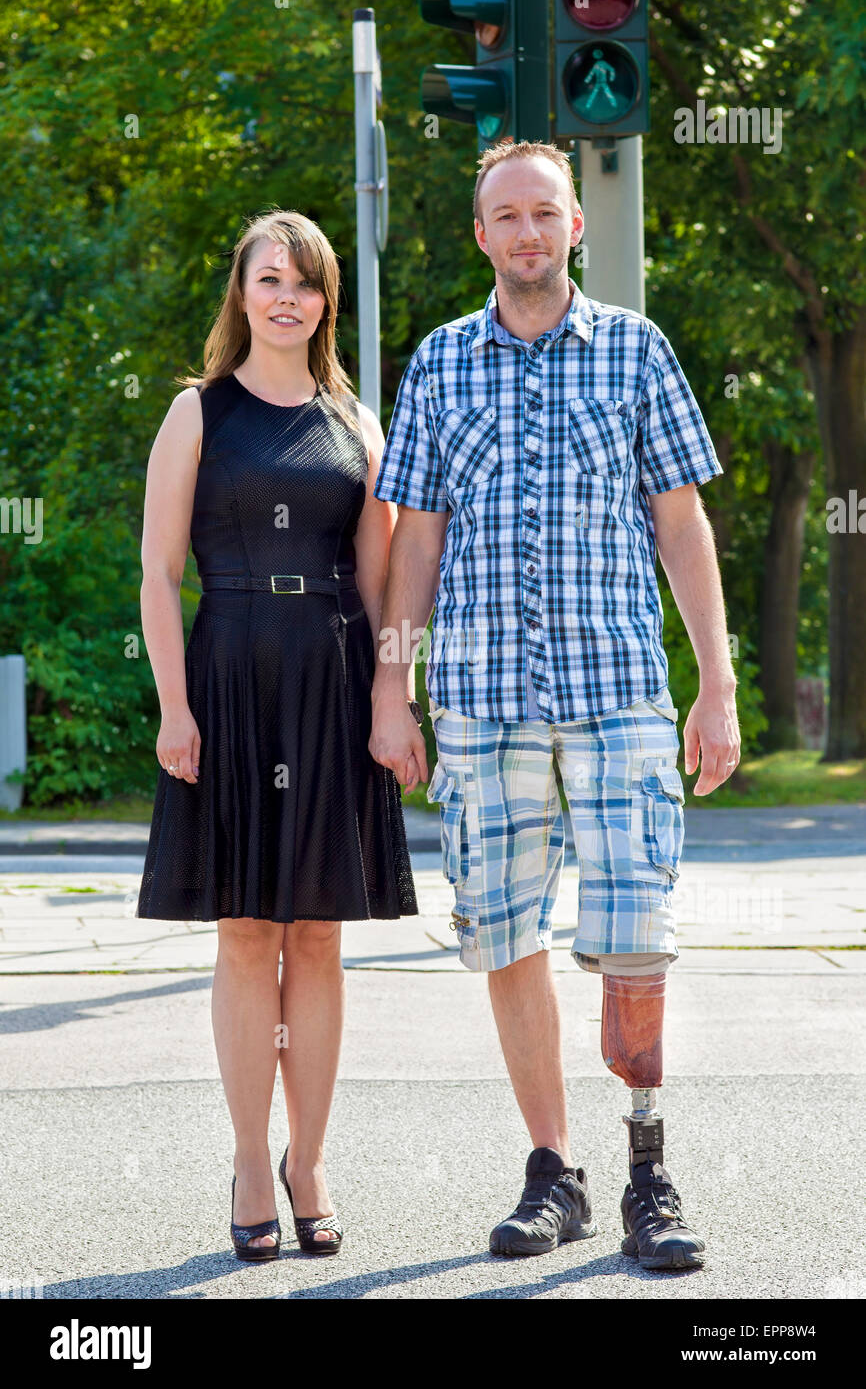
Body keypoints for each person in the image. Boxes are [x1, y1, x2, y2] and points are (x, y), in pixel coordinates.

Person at [370, 141, 739, 1271]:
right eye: (505, 217)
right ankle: (552, 1172)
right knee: (505, 935)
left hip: (618, 688)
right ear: (478, 234)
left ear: (575, 226)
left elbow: (680, 523)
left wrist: (714, 682)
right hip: (481, 703)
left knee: (633, 939)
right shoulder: (438, 363)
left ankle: (645, 1171)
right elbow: (415, 538)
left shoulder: (635, 351)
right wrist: (396, 684)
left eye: (544, 213)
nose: (526, 233)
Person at [136, 209, 418, 1259]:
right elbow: (160, 574)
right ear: (241, 292)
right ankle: (252, 1159)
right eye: (268, 277)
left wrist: (395, 696)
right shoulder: (195, 415)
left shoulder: (357, 421)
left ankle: (311, 1159)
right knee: (249, 931)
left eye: (304, 281)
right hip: (233, 674)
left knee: (319, 937)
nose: (285, 296)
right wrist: (174, 703)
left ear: (325, 299)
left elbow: (388, 578)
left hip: (335, 677)